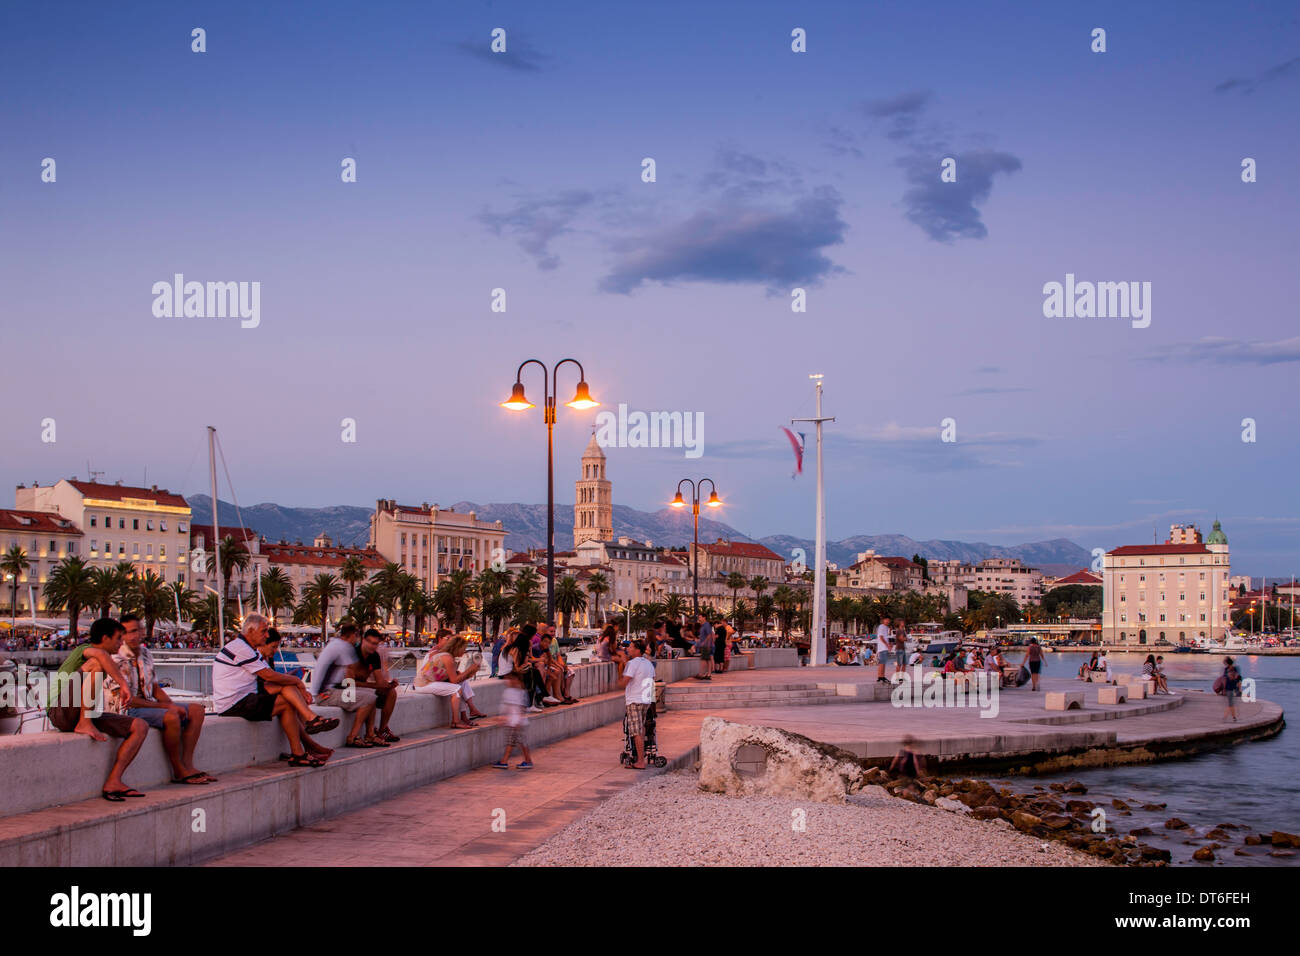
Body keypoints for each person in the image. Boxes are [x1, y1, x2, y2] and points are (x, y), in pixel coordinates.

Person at [213, 614, 338, 767]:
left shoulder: (247, 649)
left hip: (244, 697)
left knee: (288, 692)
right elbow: (269, 676)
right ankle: (303, 741)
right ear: (251, 631)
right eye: (264, 631)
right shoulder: (241, 648)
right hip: (234, 703)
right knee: (286, 702)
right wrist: (298, 682)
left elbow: (272, 678)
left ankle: (308, 728)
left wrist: (295, 684)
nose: (267, 635)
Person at [46, 617, 151, 801]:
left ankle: (114, 781)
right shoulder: (84, 651)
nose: (121, 642)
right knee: (98, 662)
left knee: (139, 727)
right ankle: (84, 722)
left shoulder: (106, 659)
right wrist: (123, 685)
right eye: (119, 638)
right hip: (60, 711)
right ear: (105, 638)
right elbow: (101, 657)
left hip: (84, 712)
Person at [110, 613, 213, 784]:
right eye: (127, 633)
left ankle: (188, 764)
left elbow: (155, 688)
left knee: (197, 710)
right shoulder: (117, 658)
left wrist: (170, 704)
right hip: (128, 710)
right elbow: (127, 700)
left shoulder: (145, 653)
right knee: (171, 717)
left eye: (136, 630)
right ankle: (178, 769)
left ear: (142, 631)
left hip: (148, 706)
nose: (133, 636)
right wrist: (166, 709)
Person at [310, 623, 378, 748]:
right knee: (369, 698)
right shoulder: (344, 647)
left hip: (326, 692)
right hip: (326, 695)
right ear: (352, 635)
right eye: (357, 637)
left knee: (370, 695)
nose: (357, 640)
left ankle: (370, 734)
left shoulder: (334, 643)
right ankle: (353, 737)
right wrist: (373, 666)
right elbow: (353, 672)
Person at [412, 635, 488, 727]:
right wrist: (468, 670)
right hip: (423, 684)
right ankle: (455, 721)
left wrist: (471, 671)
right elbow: (454, 681)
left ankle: (466, 715)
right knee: (456, 689)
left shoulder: (448, 657)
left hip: (431, 682)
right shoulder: (447, 658)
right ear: (457, 648)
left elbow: (458, 679)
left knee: (462, 684)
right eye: (463, 648)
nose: (464, 651)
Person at [349, 628, 401, 743]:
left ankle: (382, 730)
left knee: (391, 693)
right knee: (370, 695)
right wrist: (375, 686)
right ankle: (367, 734)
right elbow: (350, 682)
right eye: (370, 642)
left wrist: (389, 685)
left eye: (375, 644)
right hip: (348, 689)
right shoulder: (352, 654)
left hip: (362, 687)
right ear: (363, 640)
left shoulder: (374, 656)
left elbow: (379, 681)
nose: (372, 646)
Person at [492, 630, 534, 769]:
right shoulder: (517, 686)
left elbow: (515, 704)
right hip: (516, 720)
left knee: (516, 739)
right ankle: (519, 760)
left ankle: (508, 761)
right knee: (518, 739)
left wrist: (507, 717)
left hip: (515, 720)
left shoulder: (515, 688)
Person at [617, 639, 657, 770]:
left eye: (631, 647)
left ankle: (640, 761)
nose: (628, 649)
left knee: (636, 731)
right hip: (646, 699)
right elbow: (651, 681)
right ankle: (642, 756)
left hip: (634, 699)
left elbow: (624, 682)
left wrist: (620, 672)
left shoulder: (632, 664)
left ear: (637, 650)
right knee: (642, 728)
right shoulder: (649, 664)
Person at [694, 614, 715, 681]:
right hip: (705, 645)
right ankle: (708, 674)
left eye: (700, 617)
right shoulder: (703, 625)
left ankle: (701, 674)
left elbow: (709, 635)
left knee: (703, 659)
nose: (699, 618)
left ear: (704, 617)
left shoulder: (706, 625)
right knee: (707, 660)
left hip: (706, 645)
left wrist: (705, 643)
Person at [1221, 656, 1241, 722]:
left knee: (1230, 704)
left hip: (1230, 688)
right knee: (1231, 703)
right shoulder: (1234, 669)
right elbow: (1239, 679)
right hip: (1231, 688)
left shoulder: (1227, 669)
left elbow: (1224, 679)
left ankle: (1227, 717)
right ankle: (1233, 717)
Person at [874, 617, 893, 684]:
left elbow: (888, 637)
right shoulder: (881, 627)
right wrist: (887, 645)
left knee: (883, 662)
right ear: (883, 620)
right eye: (887, 619)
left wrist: (890, 630)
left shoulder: (886, 627)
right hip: (882, 647)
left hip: (885, 647)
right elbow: (881, 637)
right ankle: (881, 676)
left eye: (889, 620)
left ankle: (881, 676)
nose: (888, 621)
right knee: (882, 662)